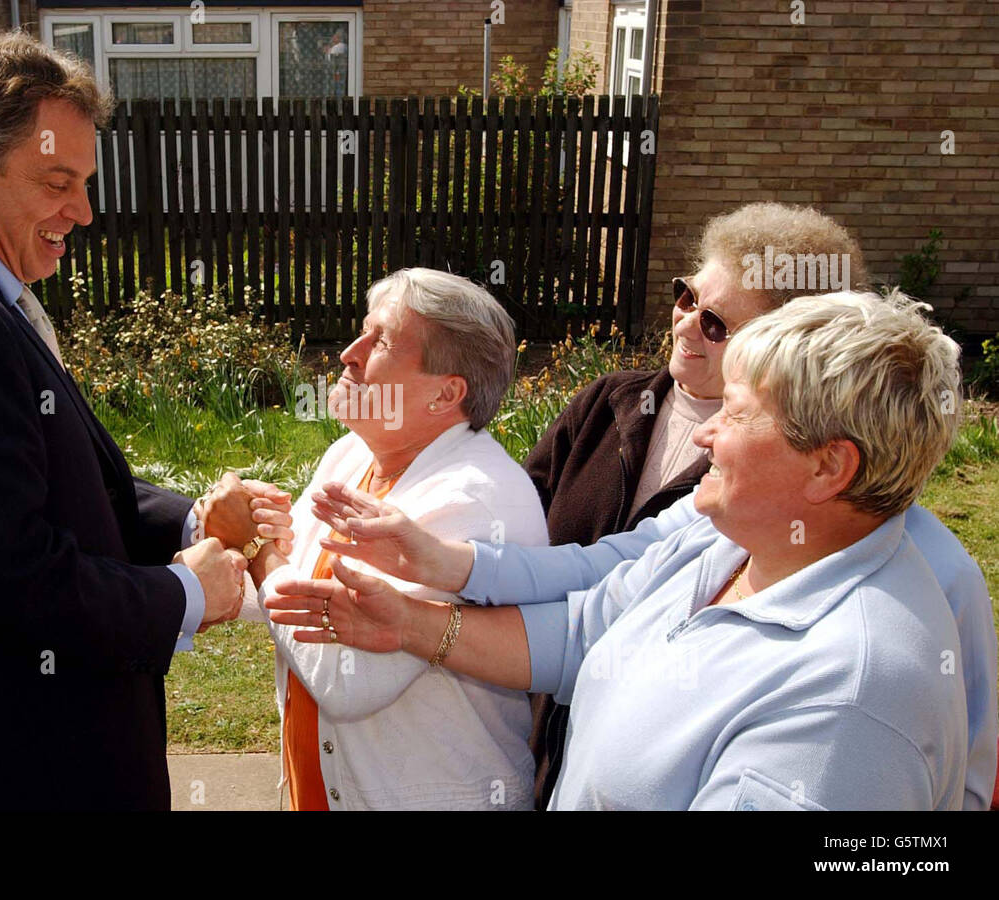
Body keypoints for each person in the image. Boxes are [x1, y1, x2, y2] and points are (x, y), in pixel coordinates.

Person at [270, 290, 972, 809]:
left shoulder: (848, 703)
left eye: (736, 415)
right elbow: (583, 628)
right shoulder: (725, 545)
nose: (703, 435)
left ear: (828, 467)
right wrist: (413, 622)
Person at [0, 33, 290, 810]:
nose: (80, 212)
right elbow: (13, 583)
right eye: (57, 182)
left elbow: (65, 488)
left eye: (83, 182)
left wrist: (193, 520)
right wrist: (186, 593)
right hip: (30, 773)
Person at [520, 202, 868, 808]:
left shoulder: (772, 475)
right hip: (536, 729)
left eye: (715, 323)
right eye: (686, 297)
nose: (684, 325)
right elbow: (524, 527)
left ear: (782, 346)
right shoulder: (609, 402)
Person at [241, 267, 548, 809]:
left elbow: (347, 679)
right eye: (362, 330)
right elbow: (302, 584)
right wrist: (215, 559)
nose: (348, 353)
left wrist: (257, 552)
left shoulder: (471, 499)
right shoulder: (354, 454)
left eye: (380, 340)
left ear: (445, 394)